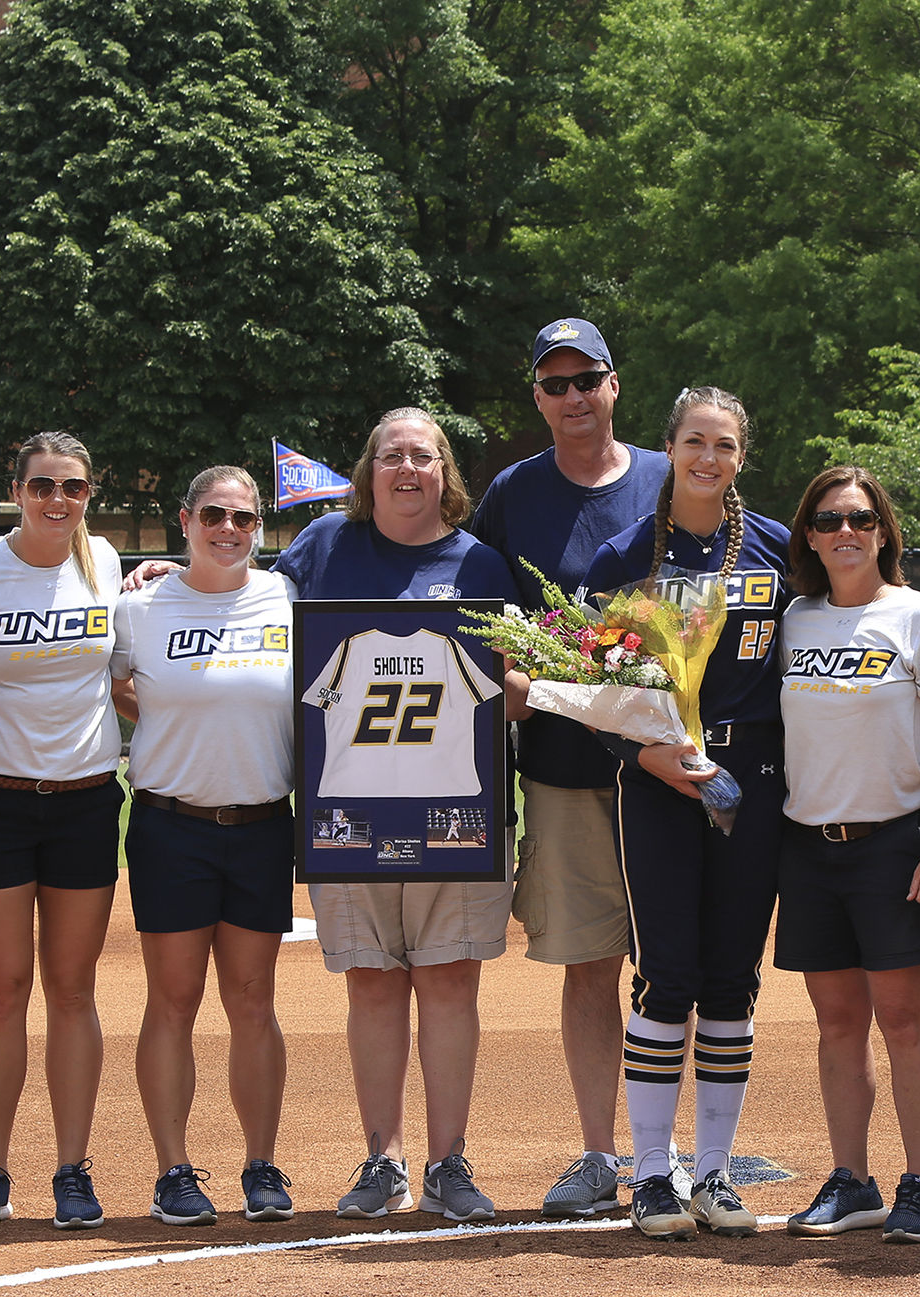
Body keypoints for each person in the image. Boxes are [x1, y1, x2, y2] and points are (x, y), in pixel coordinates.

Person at [275, 409, 518, 1224]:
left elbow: (510, 694)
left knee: (449, 978)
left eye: (422, 455)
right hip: (349, 806)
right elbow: (244, 604)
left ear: (444, 472)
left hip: (457, 808)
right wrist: (162, 577)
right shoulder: (321, 547)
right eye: (391, 455)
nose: (406, 468)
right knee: (374, 985)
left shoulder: (480, 562)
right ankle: (383, 1158)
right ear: (367, 470)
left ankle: (449, 1161)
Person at [468, 318, 673, 1217]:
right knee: (590, 963)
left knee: (679, 960)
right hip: (560, 767)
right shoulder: (513, 493)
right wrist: (511, 679)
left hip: (668, 763)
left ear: (614, 385)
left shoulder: (673, 478)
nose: (572, 397)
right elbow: (470, 607)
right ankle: (600, 1152)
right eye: (554, 384)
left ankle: (678, 1146)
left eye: (586, 378)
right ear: (538, 398)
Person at [583, 387, 792, 1240]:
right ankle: (651, 1174)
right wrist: (643, 757)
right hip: (661, 779)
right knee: (667, 974)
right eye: (695, 440)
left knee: (733, 977)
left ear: (743, 455)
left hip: (758, 778)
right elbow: (594, 690)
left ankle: (714, 1173)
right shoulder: (626, 552)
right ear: (669, 446)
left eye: (726, 444)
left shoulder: (780, 549)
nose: (709, 457)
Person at [775, 466, 920, 1244]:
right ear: (810, 536)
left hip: (897, 841)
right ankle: (851, 1179)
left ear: (884, 530)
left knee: (904, 1018)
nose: (844, 532)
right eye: (827, 520)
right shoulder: (794, 619)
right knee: (838, 1021)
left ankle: (918, 1182)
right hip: (810, 845)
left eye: (859, 518)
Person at [0, 432, 124, 1231]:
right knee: (5, 986)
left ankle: (72, 1169)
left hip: (84, 801)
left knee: (74, 989)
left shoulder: (106, 565)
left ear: (89, 493)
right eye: (42, 485)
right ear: (16, 490)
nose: (58, 499)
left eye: (73, 486)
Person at [110, 465, 298, 1226]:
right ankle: (173, 1171)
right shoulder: (141, 604)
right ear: (185, 520)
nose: (229, 529)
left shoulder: (286, 596)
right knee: (174, 998)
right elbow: (115, 684)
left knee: (254, 999)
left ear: (260, 526)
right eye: (215, 514)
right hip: (170, 824)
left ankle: (261, 1164)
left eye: (245, 519)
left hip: (260, 822)